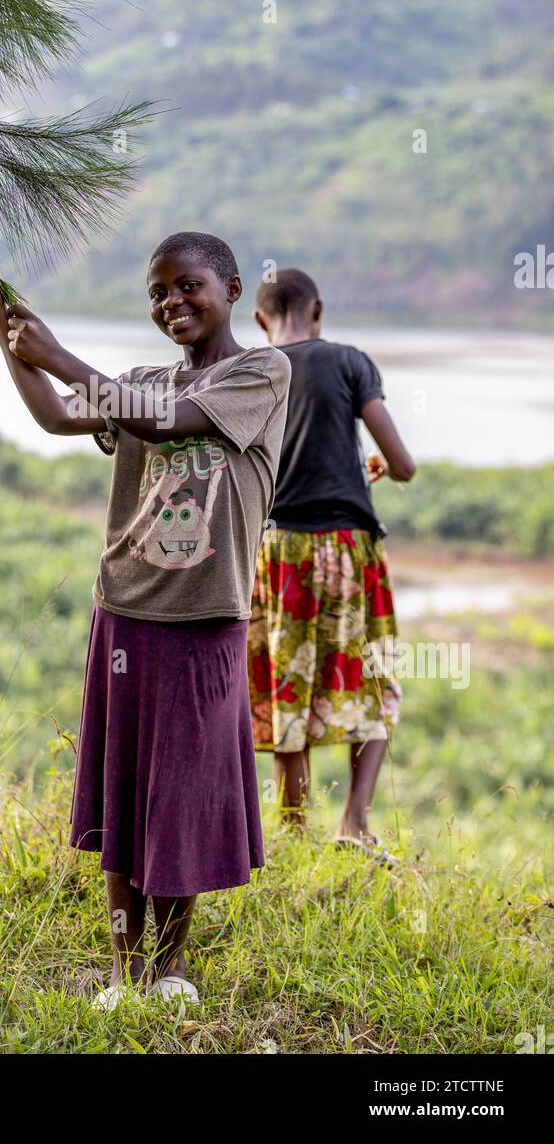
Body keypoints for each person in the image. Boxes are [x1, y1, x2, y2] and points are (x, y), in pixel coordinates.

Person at [0, 232, 290, 1008]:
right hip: (127, 612)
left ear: (233, 287)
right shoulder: (136, 380)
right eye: (158, 293)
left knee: (182, 797)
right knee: (123, 794)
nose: (171, 302)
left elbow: (172, 420)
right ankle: (121, 967)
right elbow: (51, 414)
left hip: (208, 617)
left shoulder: (260, 372)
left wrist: (66, 355)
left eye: (188, 286)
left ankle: (168, 967)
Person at [247, 268, 415, 861]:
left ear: (260, 320)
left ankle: (292, 832)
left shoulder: (256, 370)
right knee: (373, 676)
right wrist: (382, 468)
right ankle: (354, 822)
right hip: (347, 546)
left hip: (280, 548)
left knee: (288, 684)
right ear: (316, 310)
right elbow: (403, 463)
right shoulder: (350, 361)